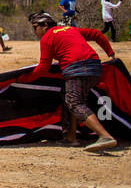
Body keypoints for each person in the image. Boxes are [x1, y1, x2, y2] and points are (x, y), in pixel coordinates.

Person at [27, 12, 119, 152]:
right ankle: (71, 137)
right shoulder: (70, 29)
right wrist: (110, 54)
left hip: (77, 68)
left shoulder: (47, 38)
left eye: (35, 27)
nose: (35, 31)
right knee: (68, 97)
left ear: (45, 25)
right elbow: (96, 34)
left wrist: (25, 78)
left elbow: (44, 67)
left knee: (74, 102)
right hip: (94, 66)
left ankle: (104, 136)